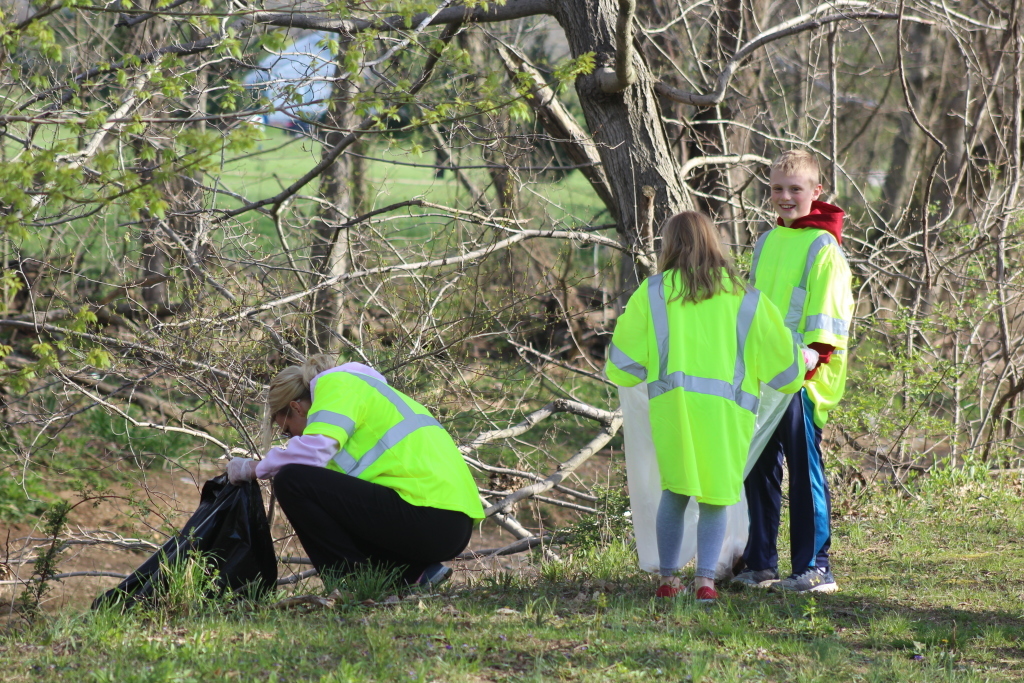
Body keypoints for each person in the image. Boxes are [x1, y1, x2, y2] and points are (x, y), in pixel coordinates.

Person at [607, 211, 806, 602]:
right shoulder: (747, 298)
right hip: (727, 418)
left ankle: (668, 581)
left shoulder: (652, 292)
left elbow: (621, 367)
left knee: (675, 492)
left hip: (674, 413)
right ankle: (705, 584)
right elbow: (786, 374)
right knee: (716, 497)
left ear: (668, 246)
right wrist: (805, 356)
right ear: (715, 242)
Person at [227, 356, 484, 586]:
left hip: (430, 517)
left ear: (296, 408)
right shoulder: (366, 393)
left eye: (287, 430)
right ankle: (411, 572)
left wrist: (253, 468)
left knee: (291, 480)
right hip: (451, 523)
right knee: (319, 493)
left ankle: (351, 583)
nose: (292, 438)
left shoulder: (337, 385)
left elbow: (311, 453)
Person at [733, 150, 854, 594]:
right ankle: (760, 563)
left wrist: (807, 366)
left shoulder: (823, 246)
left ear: (816, 191)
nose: (785, 197)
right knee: (759, 467)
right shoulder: (766, 242)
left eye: (795, 189)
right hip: (764, 376)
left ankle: (815, 567)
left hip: (804, 378)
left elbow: (828, 319)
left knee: (804, 471)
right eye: (777, 189)